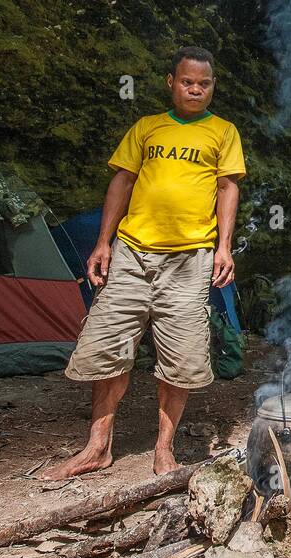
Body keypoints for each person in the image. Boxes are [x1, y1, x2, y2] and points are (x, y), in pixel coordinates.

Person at [43, 46, 246, 480]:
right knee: (109, 343)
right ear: (171, 82)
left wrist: (224, 247)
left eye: (204, 83)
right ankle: (97, 447)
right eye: (187, 81)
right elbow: (124, 180)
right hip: (133, 252)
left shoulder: (223, 132)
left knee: (182, 356)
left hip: (191, 258)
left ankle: (164, 449)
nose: (195, 89)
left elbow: (228, 187)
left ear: (212, 87)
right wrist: (103, 242)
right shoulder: (147, 128)